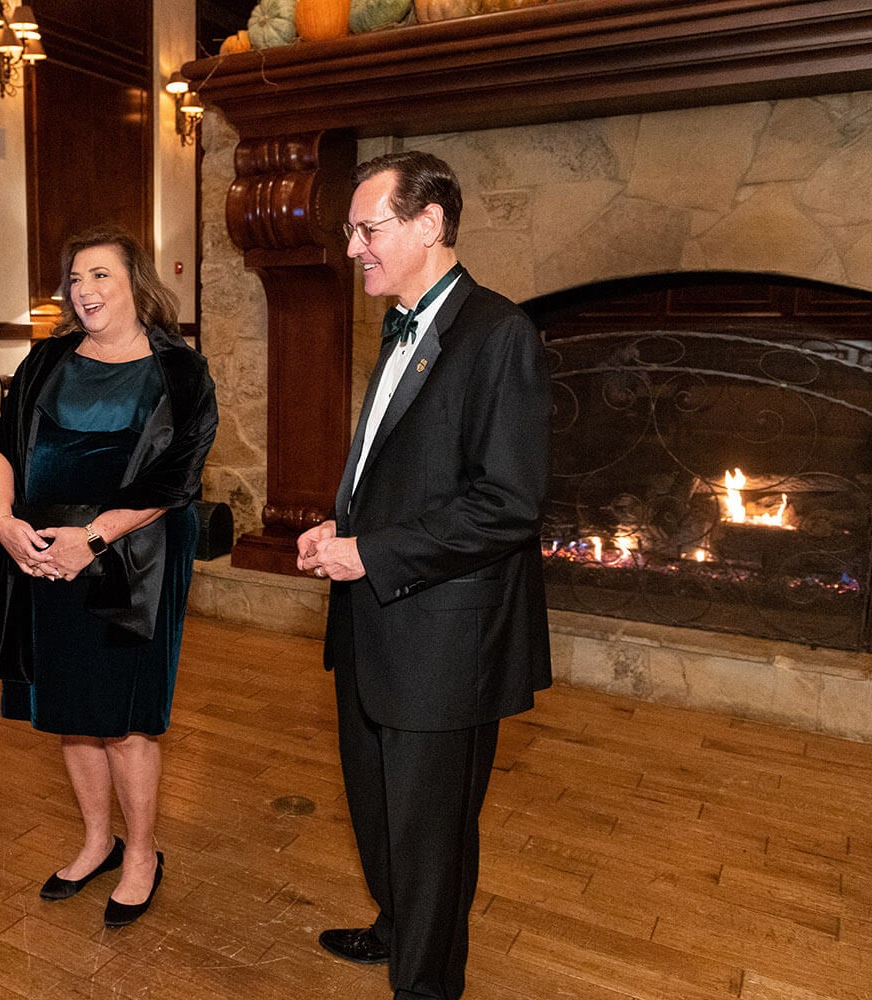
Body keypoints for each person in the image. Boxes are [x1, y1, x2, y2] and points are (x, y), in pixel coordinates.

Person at [296, 151, 553, 1000]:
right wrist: (346, 525)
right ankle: (397, 929)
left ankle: (428, 984)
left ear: (429, 224)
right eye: (350, 232)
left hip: (443, 638)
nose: (351, 249)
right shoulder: (400, 323)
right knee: (378, 812)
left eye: (366, 229)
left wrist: (371, 553)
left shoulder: (498, 333)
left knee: (430, 833)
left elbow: (507, 503)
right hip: (373, 622)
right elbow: (405, 471)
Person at [0, 226, 217, 929]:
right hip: (40, 553)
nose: (84, 290)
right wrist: (1, 522)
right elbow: (1, 447)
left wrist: (94, 537)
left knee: (125, 716)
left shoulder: (179, 369)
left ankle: (141, 854)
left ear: (136, 283)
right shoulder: (46, 358)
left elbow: (177, 480)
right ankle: (95, 842)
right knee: (70, 711)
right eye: (75, 278)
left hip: (134, 557)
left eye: (100, 275)